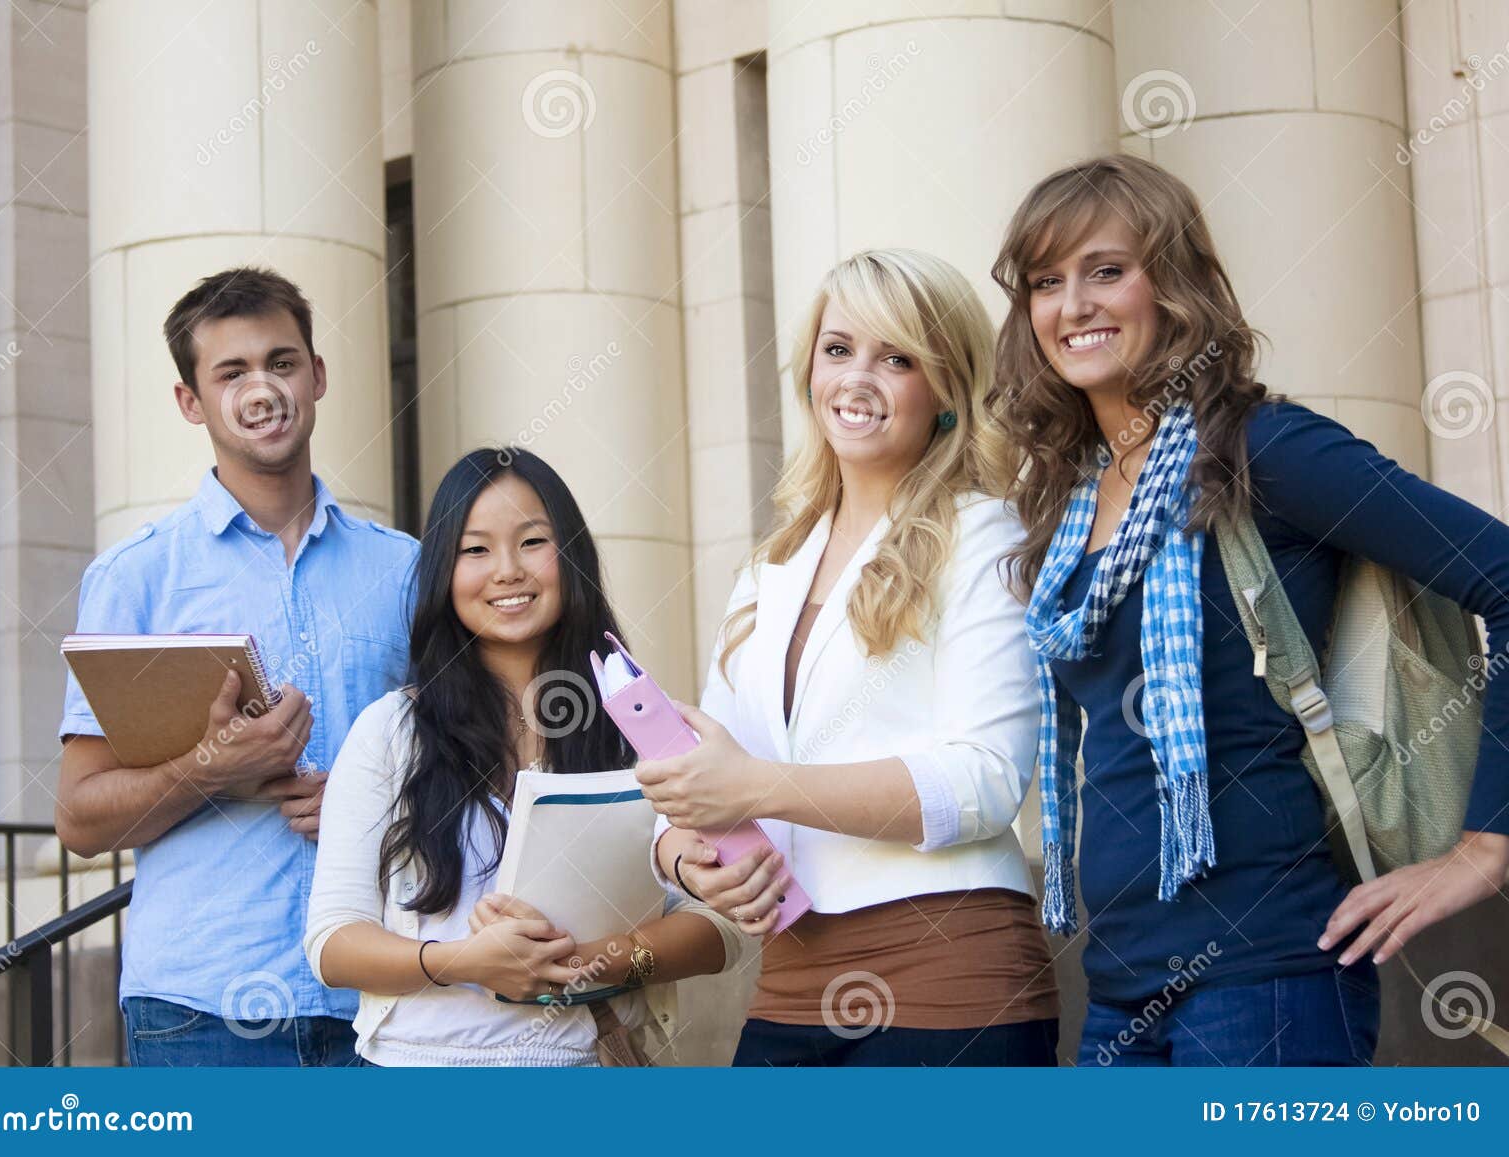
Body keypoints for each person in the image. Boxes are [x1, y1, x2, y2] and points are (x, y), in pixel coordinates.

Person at [986, 154, 1509, 1066]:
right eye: (1046, 282)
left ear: (1174, 284)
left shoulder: (1265, 451)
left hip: (1266, 982)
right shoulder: (1066, 502)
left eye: (1107, 270)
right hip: (1117, 987)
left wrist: (1483, 846)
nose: (1074, 306)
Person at [638, 249, 1060, 1067]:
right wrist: (687, 861)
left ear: (945, 390)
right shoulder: (769, 569)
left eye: (897, 357)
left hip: (949, 981)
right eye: (839, 349)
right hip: (790, 981)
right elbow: (700, 779)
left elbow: (985, 779)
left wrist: (759, 788)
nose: (858, 378)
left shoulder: (986, 534)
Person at [56, 266, 419, 1066]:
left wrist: (385, 803)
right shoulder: (136, 579)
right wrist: (211, 767)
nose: (264, 389)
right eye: (232, 372)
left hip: (389, 997)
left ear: (317, 376)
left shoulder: (407, 572)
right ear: (191, 402)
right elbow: (80, 819)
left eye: (282, 362)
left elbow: (482, 756)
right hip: (203, 1009)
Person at [304, 448, 744, 1067]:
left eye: (533, 541)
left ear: (570, 555)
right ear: (442, 572)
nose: (507, 571)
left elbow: (719, 928)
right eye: (475, 550)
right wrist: (464, 962)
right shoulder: (390, 731)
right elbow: (332, 944)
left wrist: (600, 960)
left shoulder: (637, 723)